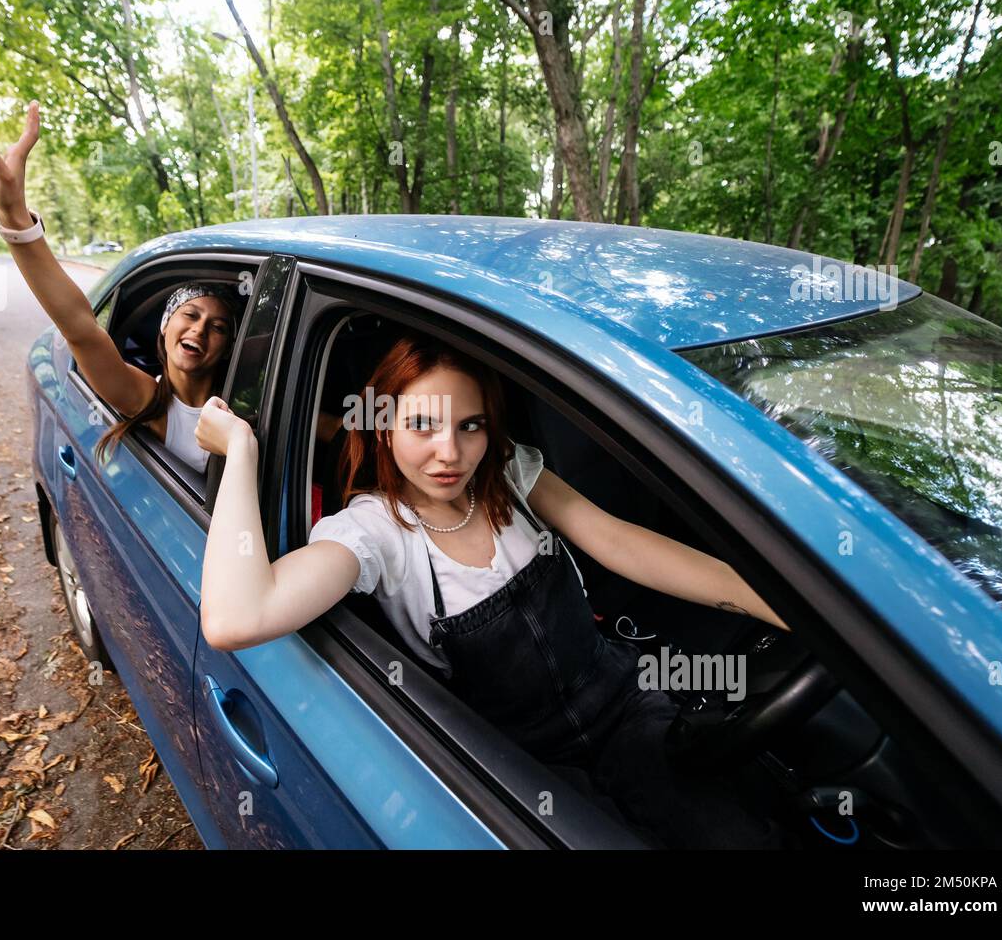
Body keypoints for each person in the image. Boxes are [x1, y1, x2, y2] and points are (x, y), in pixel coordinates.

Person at [196, 327, 792, 848]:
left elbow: (620, 542)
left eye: (469, 426)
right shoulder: (375, 531)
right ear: (383, 428)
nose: (449, 454)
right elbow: (234, 618)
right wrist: (242, 450)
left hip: (627, 704)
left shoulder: (508, 473)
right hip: (526, 766)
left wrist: (775, 600)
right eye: (422, 426)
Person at [0, 100, 239, 469]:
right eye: (191, 314)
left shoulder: (248, 404)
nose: (200, 329)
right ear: (165, 327)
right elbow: (81, 330)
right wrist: (15, 219)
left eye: (219, 327)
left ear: (228, 347)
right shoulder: (148, 401)